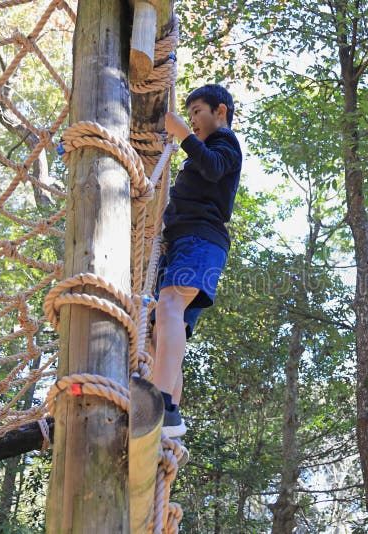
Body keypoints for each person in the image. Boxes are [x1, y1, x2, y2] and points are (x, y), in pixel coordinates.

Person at [153, 84, 242, 437]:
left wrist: (183, 134)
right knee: (165, 327)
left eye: (197, 113)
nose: (193, 121)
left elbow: (214, 167)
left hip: (201, 238)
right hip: (184, 241)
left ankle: (160, 401)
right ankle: (169, 412)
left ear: (220, 111)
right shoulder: (202, 149)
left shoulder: (226, 141)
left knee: (170, 304)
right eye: (189, 116)